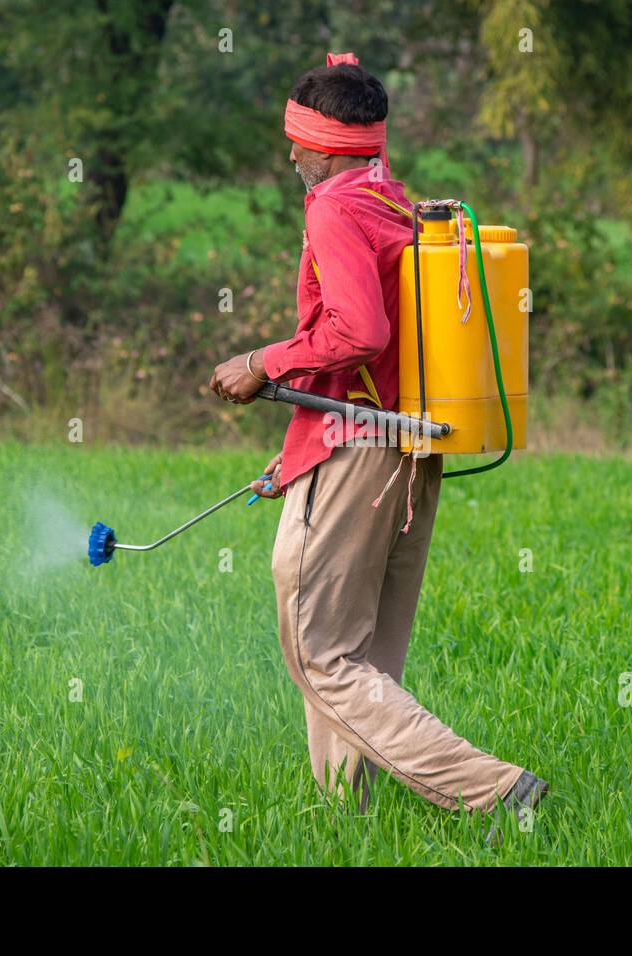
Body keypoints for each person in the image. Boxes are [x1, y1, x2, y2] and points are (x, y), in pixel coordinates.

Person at [207, 52, 547, 844]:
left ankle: (496, 792)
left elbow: (362, 331)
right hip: (404, 452)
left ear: (324, 144)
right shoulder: (391, 196)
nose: (290, 153)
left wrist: (263, 363)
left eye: (297, 140)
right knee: (362, 660)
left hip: (357, 450)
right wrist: (295, 456)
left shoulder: (332, 206)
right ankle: (342, 823)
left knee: (323, 656)